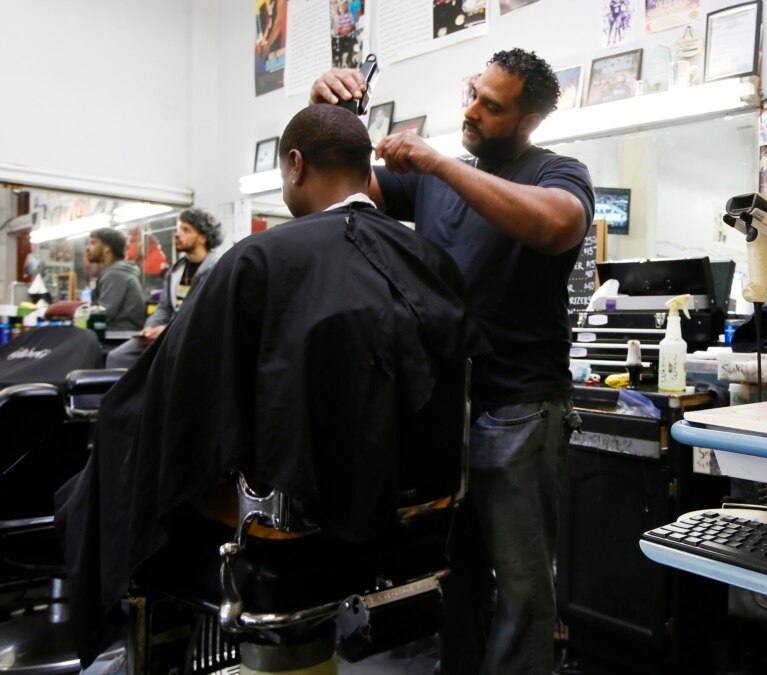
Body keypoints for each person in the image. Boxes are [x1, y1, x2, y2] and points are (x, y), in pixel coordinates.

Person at [54, 103, 487, 666]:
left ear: (295, 165)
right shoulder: (433, 262)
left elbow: (176, 402)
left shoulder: (259, 261)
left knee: (119, 459)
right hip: (413, 523)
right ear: (365, 168)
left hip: (295, 526)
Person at [310, 47, 594, 675]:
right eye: (473, 92)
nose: (471, 111)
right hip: (446, 411)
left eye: (491, 106)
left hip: (519, 407)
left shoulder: (558, 171)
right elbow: (336, 194)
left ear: (531, 120)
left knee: (522, 587)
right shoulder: (432, 183)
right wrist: (323, 114)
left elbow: (557, 226)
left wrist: (438, 162)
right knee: (452, 575)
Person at [105, 209, 224, 368]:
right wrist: (151, 327)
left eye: (186, 230)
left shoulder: (218, 269)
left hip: (195, 337)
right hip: (168, 335)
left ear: (202, 237)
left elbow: (207, 314)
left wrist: (168, 330)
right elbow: (164, 308)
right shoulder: (175, 271)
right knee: (118, 357)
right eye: (179, 228)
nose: (177, 234)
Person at [86, 227, 146, 332]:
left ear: (107, 248)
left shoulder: (115, 274)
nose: (88, 248)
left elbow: (103, 315)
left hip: (118, 337)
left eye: (93, 243)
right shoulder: (114, 272)